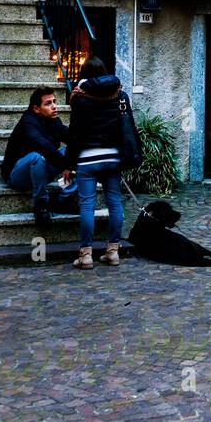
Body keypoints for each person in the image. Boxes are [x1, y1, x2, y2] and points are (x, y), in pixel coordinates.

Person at [64, 56, 128, 270]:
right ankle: (113, 252)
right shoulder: (120, 94)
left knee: (87, 205)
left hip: (88, 158)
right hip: (112, 157)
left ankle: (86, 256)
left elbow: (74, 134)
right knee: (115, 203)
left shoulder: (80, 98)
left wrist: (69, 162)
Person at [1, 87, 78, 226]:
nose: (54, 106)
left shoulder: (54, 120)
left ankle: (64, 199)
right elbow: (43, 146)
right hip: (17, 176)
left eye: (54, 101)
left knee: (77, 149)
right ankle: (41, 205)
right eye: (48, 103)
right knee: (37, 157)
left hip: (42, 171)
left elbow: (72, 137)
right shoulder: (28, 123)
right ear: (36, 108)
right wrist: (65, 165)